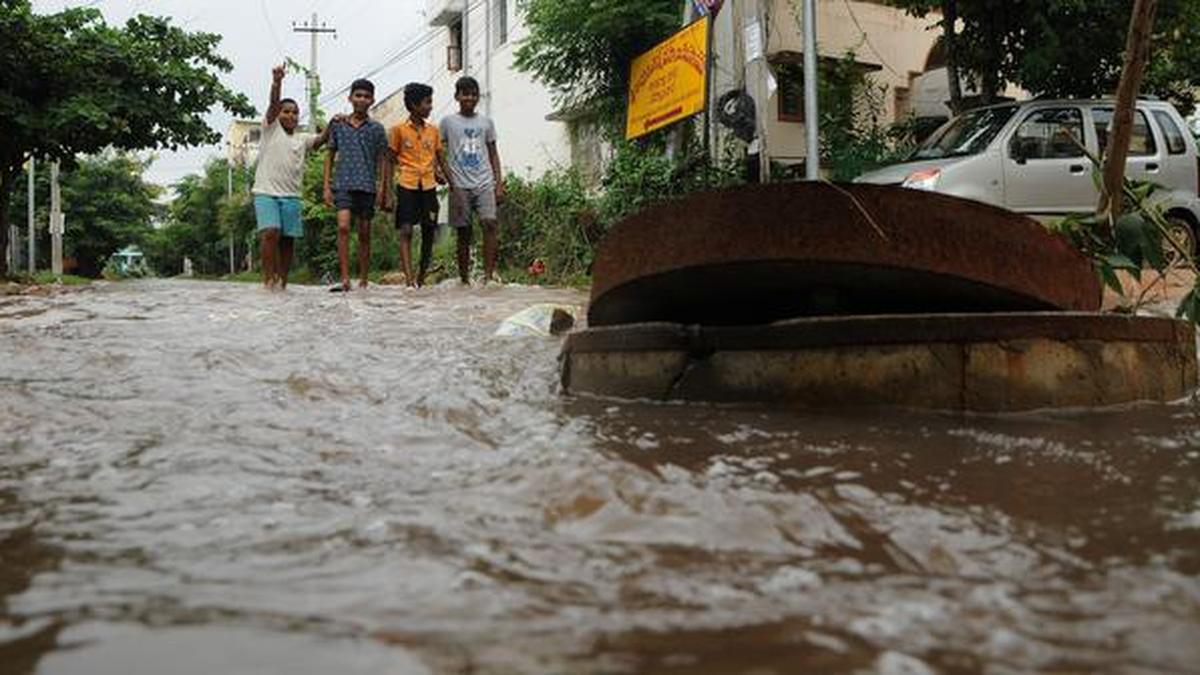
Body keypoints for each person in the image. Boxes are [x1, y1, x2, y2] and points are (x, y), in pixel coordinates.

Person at [252, 64, 334, 290]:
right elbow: (272, 104)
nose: (290, 115)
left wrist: (332, 124)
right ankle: (268, 281)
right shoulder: (270, 129)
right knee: (271, 232)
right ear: (278, 115)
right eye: (286, 111)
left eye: (295, 112)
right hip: (266, 192)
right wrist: (277, 82)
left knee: (287, 239)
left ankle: (283, 282)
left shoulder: (302, 139)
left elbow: (320, 141)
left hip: (292, 196)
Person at [323, 78, 390, 292]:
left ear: (372, 100)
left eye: (366, 96)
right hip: (343, 184)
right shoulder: (338, 125)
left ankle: (362, 280)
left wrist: (382, 187)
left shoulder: (377, 129)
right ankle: (345, 279)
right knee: (343, 227)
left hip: (367, 186)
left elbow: (383, 159)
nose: (362, 99)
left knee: (364, 233)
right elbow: (330, 155)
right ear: (350, 98)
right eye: (358, 95)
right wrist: (326, 186)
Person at [440, 76, 505, 284]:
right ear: (457, 96)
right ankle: (464, 279)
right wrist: (438, 172)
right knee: (463, 232)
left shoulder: (486, 122)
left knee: (490, 223)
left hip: (484, 182)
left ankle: (488, 275)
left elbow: (493, 153)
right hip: (458, 185)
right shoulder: (447, 122)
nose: (470, 97)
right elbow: (438, 151)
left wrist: (499, 183)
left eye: (474, 94)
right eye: (465, 93)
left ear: (478, 97)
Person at [384, 82, 447, 288]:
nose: (430, 106)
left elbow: (439, 158)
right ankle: (410, 281)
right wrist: (387, 192)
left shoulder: (434, 131)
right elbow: (389, 161)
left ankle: (421, 276)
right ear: (414, 105)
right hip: (407, 185)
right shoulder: (398, 130)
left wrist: (447, 179)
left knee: (429, 230)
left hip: (428, 186)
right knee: (407, 231)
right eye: (427, 102)